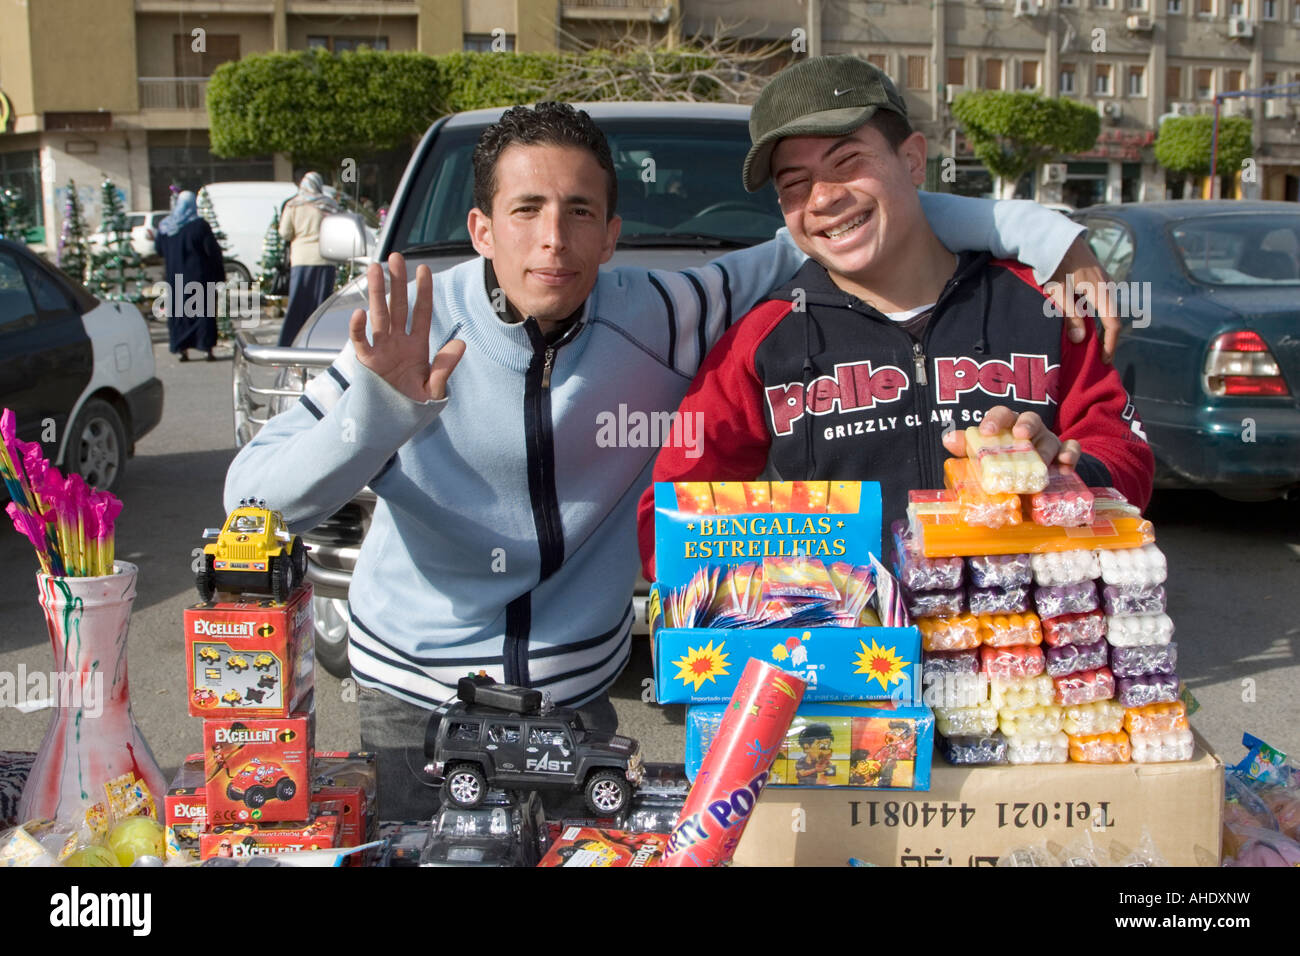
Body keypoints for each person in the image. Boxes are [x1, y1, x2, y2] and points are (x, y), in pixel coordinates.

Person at [226, 100, 1114, 819]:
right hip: (412, 697)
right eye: (525, 210)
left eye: (580, 213)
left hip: (576, 699)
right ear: (480, 228)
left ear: (612, 234)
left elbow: (826, 226)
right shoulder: (406, 323)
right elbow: (252, 503)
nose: (553, 241)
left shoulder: (663, 312)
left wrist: (1047, 232)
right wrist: (380, 411)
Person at [636, 55, 1154, 579]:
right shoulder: (762, 338)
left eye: (848, 162)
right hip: (844, 657)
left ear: (911, 160)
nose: (824, 197)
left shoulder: (1044, 304)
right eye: (794, 183)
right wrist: (752, 598)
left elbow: (1125, 454)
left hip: (1016, 648)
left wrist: (1064, 470)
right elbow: (670, 508)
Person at [154, 190, 224, 362]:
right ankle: (206, 347)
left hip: (175, 277)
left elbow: (159, 250)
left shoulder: (166, 227)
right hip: (199, 276)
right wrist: (219, 274)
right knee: (203, 313)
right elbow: (212, 251)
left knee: (179, 313)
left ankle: (181, 348)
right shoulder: (199, 225)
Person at [278, 172, 340, 347]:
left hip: (301, 259)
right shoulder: (328, 204)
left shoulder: (293, 205)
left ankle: (288, 345)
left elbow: (285, 233)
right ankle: (318, 344)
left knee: (297, 305)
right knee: (320, 307)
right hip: (324, 259)